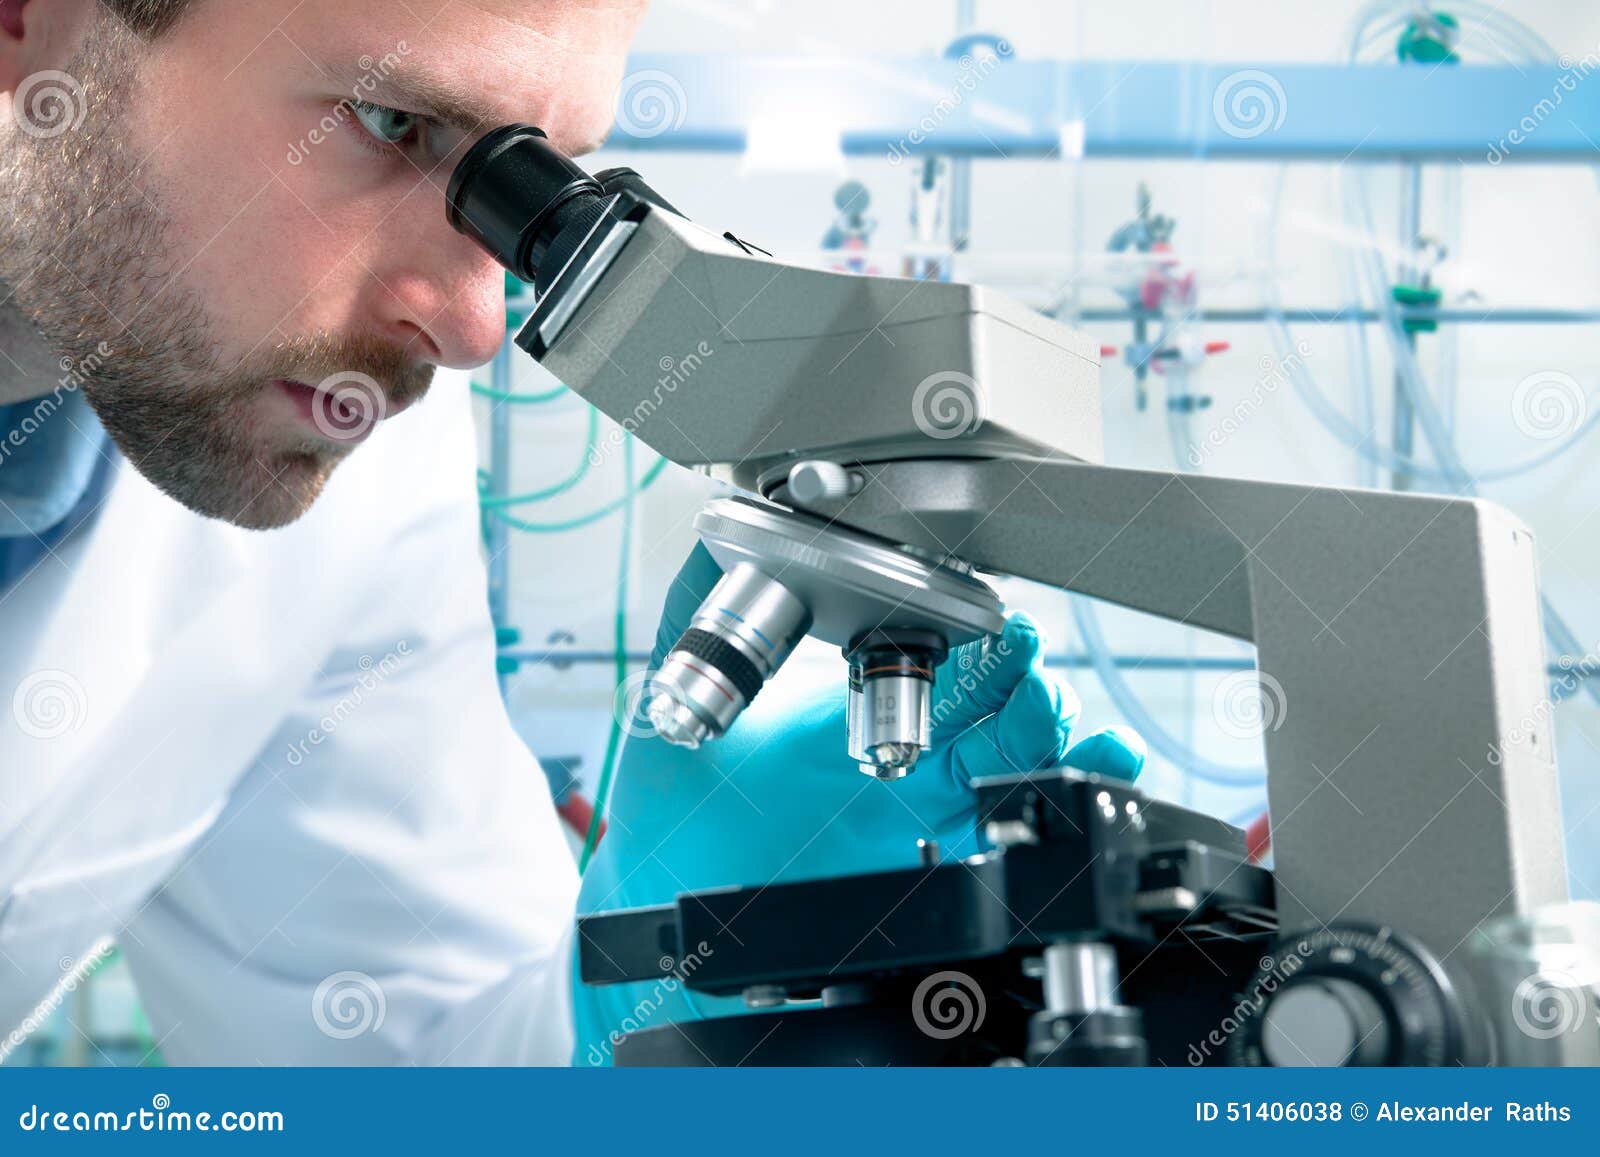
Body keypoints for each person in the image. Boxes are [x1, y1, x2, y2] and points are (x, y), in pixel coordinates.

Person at [0, 0, 1143, 1065]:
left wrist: (653, 977)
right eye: (392, 123)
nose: (470, 325)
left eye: (532, 173)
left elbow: (391, 1053)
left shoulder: (354, 459)